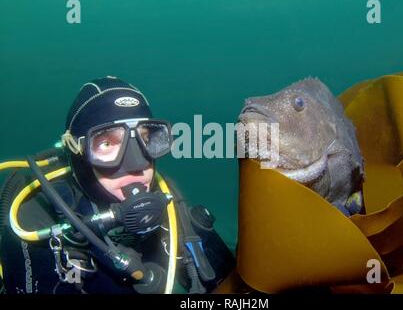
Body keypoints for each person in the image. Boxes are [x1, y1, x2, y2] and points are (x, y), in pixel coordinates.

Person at [0, 76, 234, 294]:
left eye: (144, 139)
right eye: (106, 143)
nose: (137, 163)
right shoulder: (37, 209)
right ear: (77, 151)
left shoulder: (168, 203)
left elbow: (236, 291)